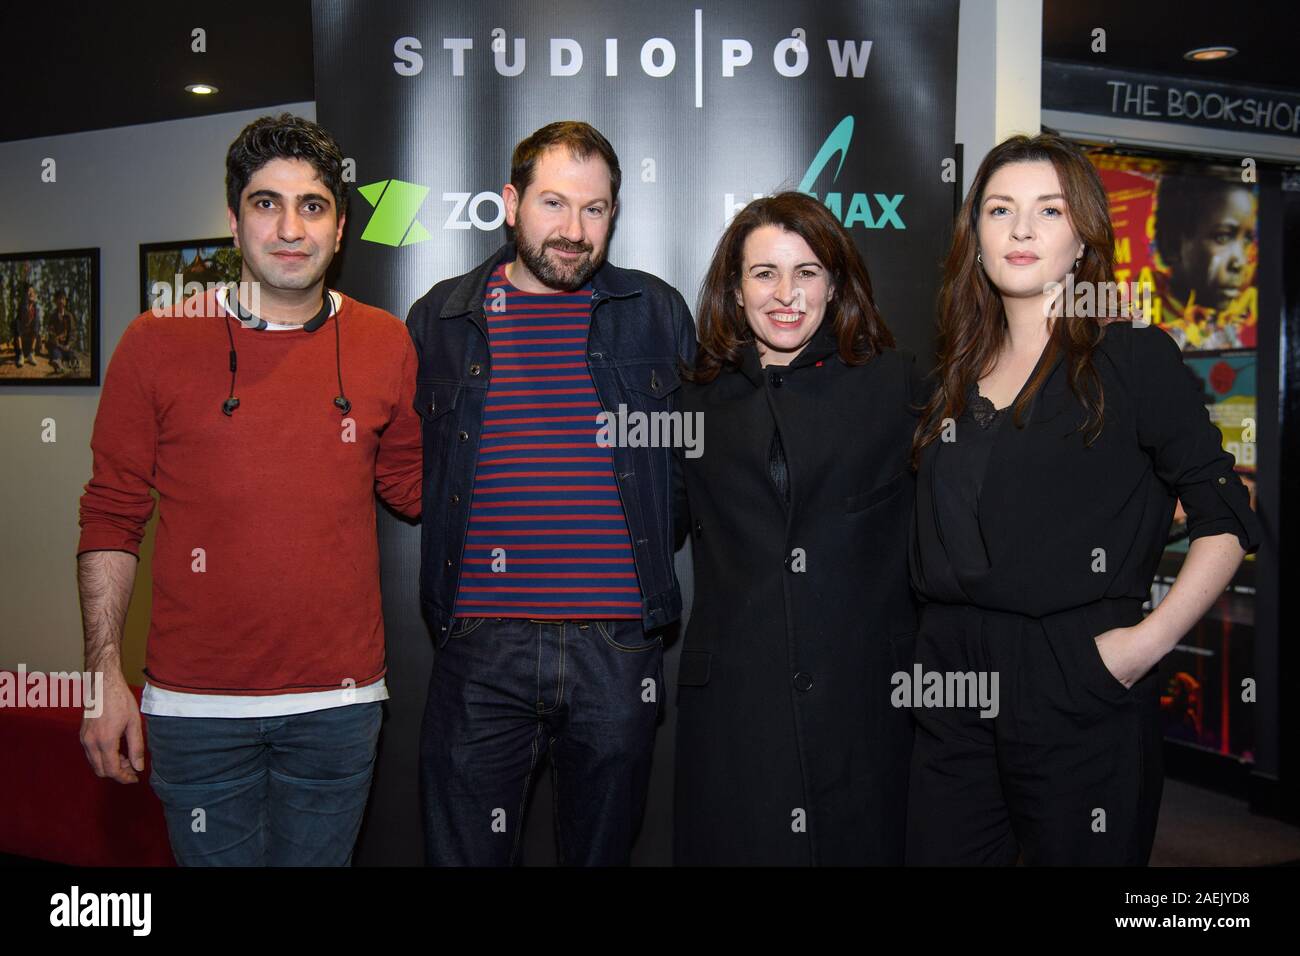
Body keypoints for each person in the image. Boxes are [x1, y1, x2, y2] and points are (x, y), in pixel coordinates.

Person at [76, 113, 422, 866]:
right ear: (235, 224)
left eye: (313, 205)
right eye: (267, 204)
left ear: (338, 229)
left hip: (339, 708)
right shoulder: (155, 343)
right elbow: (111, 515)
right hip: (196, 713)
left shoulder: (385, 342)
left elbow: (413, 487)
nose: (290, 227)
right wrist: (102, 671)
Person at [906, 133, 1261, 865]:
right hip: (951, 679)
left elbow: (1225, 515)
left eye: (1049, 210)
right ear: (975, 237)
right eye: (1001, 209)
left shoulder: (1130, 359)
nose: (1023, 229)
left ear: (1083, 240)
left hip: (1078, 672)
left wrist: (1143, 647)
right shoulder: (952, 373)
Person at [407, 121, 697, 866]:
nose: (573, 230)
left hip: (617, 646)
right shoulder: (441, 319)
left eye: (595, 209)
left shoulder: (656, 313)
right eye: (553, 204)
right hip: (479, 641)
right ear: (510, 203)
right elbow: (412, 472)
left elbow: (691, 473)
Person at [672, 192, 920, 865]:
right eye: (764, 273)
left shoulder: (899, 386)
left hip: (864, 707)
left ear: (836, 284)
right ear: (735, 286)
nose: (787, 294)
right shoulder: (693, 399)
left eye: (807, 272)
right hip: (734, 712)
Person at [47, 288, 77, 373]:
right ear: (55, 301)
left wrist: (69, 344)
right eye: (59, 299)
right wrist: (56, 342)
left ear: (65, 301)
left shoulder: (69, 316)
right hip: (57, 346)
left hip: (67, 346)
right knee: (55, 353)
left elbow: (73, 333)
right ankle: (58, 363)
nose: (61, 301)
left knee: (73, 355)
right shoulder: (52, 317)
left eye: (63, 299)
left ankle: (69, 364)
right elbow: (51, 332)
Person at [15, 283, 39, 367]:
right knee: (17, 323)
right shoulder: (22, 307)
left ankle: (31, 354)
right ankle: (21, 354)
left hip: (30, 343)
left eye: (33, 292)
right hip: (21, 342)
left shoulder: (35, 309)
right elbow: (18, 327)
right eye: (29, 292)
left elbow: (36, 328)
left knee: (37, 323)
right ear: (26, 295)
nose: (32, 293)